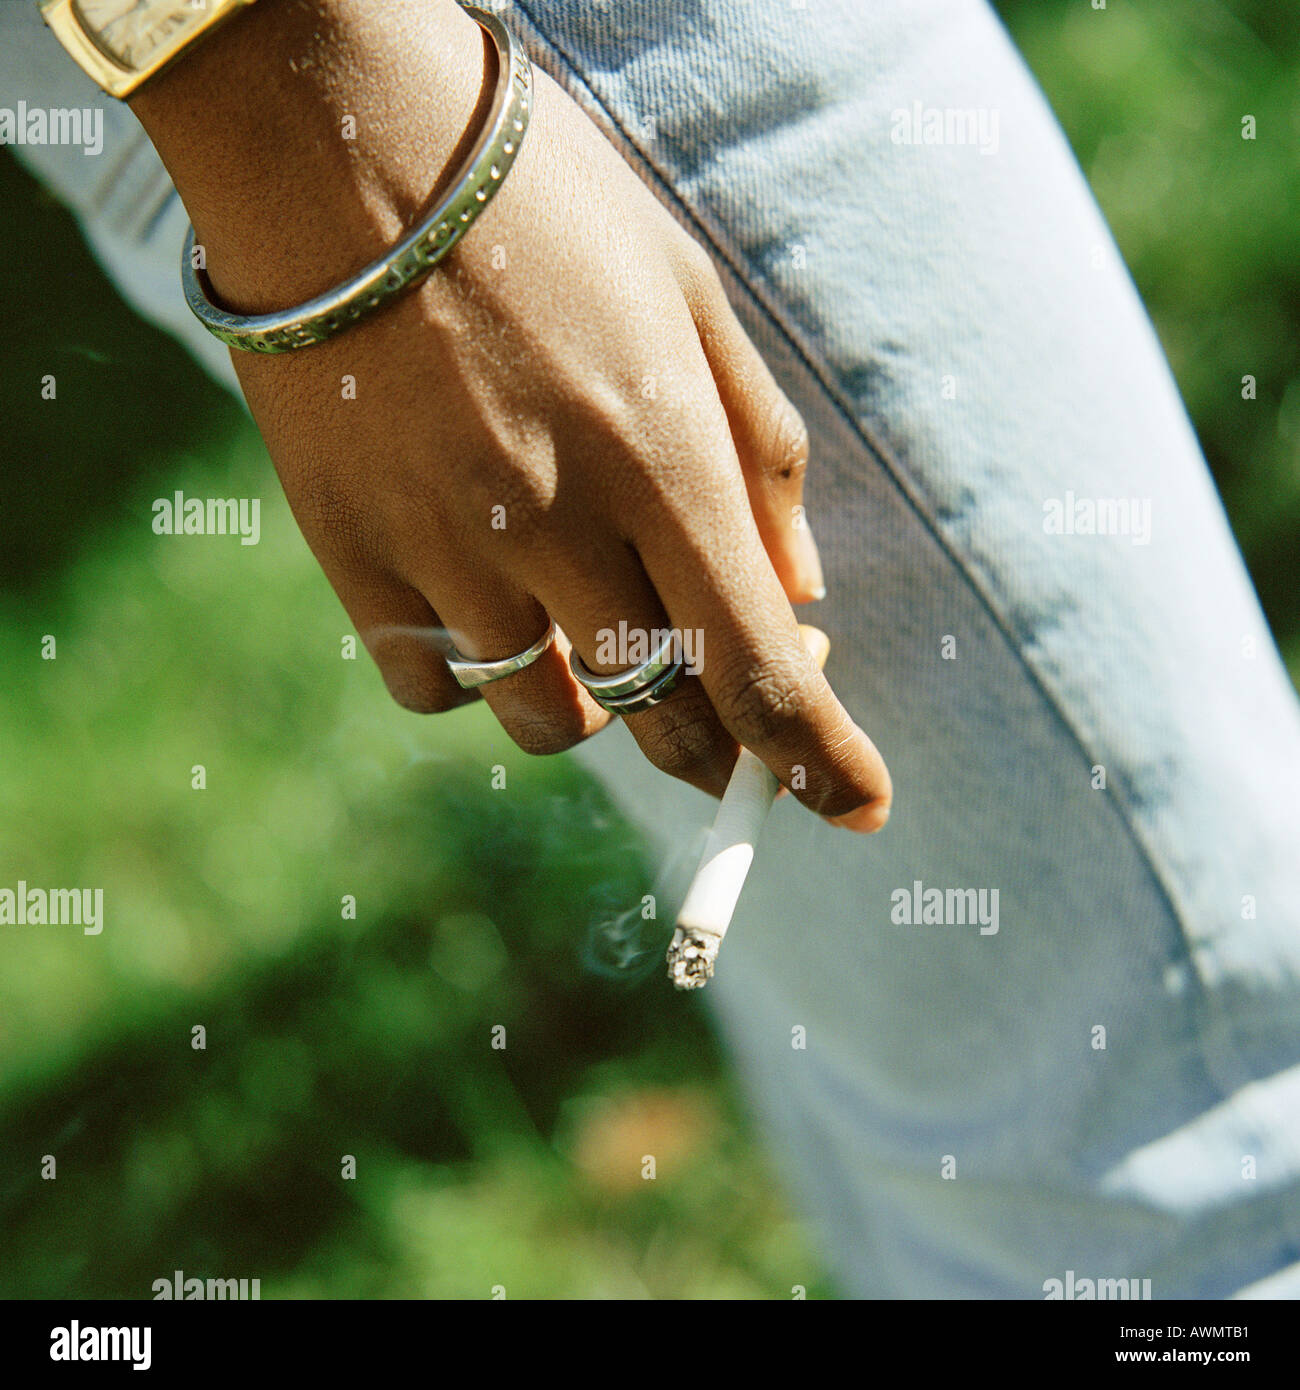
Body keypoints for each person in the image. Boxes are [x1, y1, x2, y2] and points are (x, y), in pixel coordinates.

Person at [7, 0, 1300, 1298]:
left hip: (321, 95)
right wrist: (329, 140)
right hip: (434, 75)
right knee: (1188, 1149)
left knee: (955, 1120)